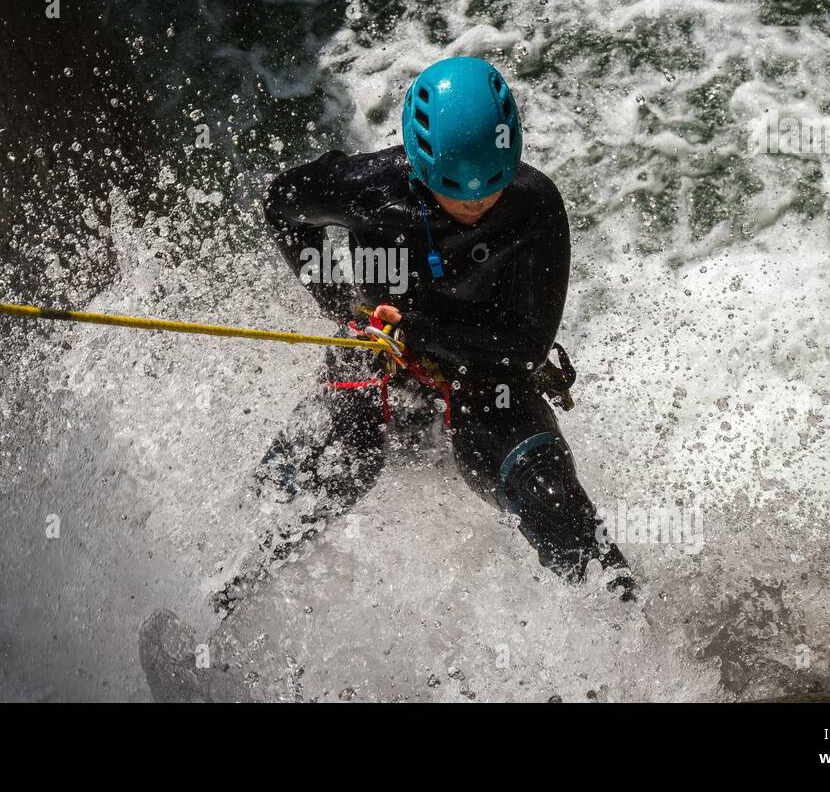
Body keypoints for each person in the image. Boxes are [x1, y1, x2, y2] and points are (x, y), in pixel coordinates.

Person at [216, 56, 633, 613]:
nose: (475, 205)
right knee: (303, 486)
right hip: (377, 366)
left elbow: (523, 347)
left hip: (485, 385)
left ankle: (628, 621)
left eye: (490, 190)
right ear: (419, 166)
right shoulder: (367, 191)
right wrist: (339, 306)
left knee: (552, 499)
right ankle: (222, 604)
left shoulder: (534, 207)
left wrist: (416, 326)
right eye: (455, 193)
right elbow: (282, 205)